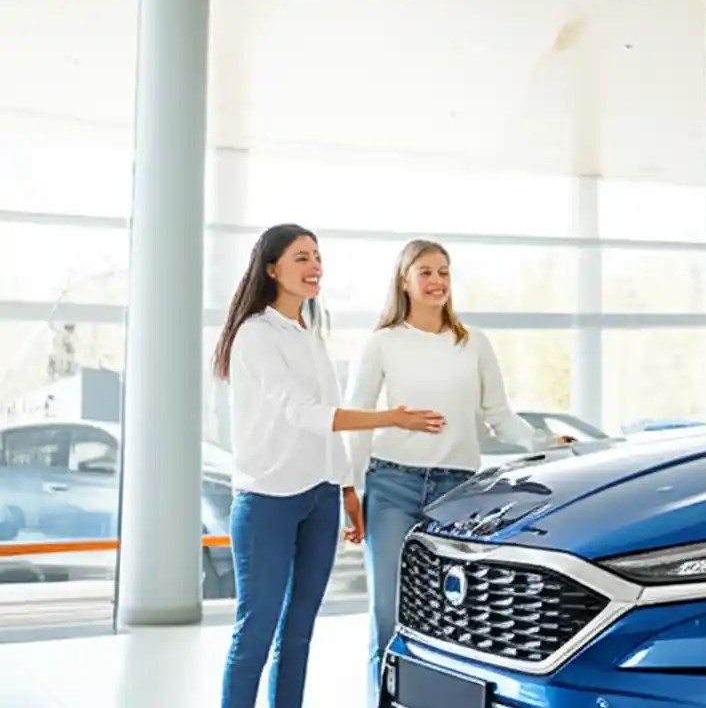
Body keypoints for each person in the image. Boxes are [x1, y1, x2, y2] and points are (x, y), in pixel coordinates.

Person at [212, 224, 444, 708]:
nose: (314, 266)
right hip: (267, 501)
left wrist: (346, 488)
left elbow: (325, 424)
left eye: (317, 256)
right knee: (255, 633)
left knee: (298, 632)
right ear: (271, 269)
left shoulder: (309, 331)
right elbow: (306, 414)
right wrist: (391, 417)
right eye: (301, 257)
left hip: (319, 497)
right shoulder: (255, 335)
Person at [345, 238, 570, 706]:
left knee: (456, 618)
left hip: (458, 491)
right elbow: (359, 417)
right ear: (404, 281)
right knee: (388, 614)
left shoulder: (473, 343)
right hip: (392, 485)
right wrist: (351, 489)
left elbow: (499, 416)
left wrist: (543, 442)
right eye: (425, 272)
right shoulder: (382, 343)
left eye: (443, 271)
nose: (437, 281)